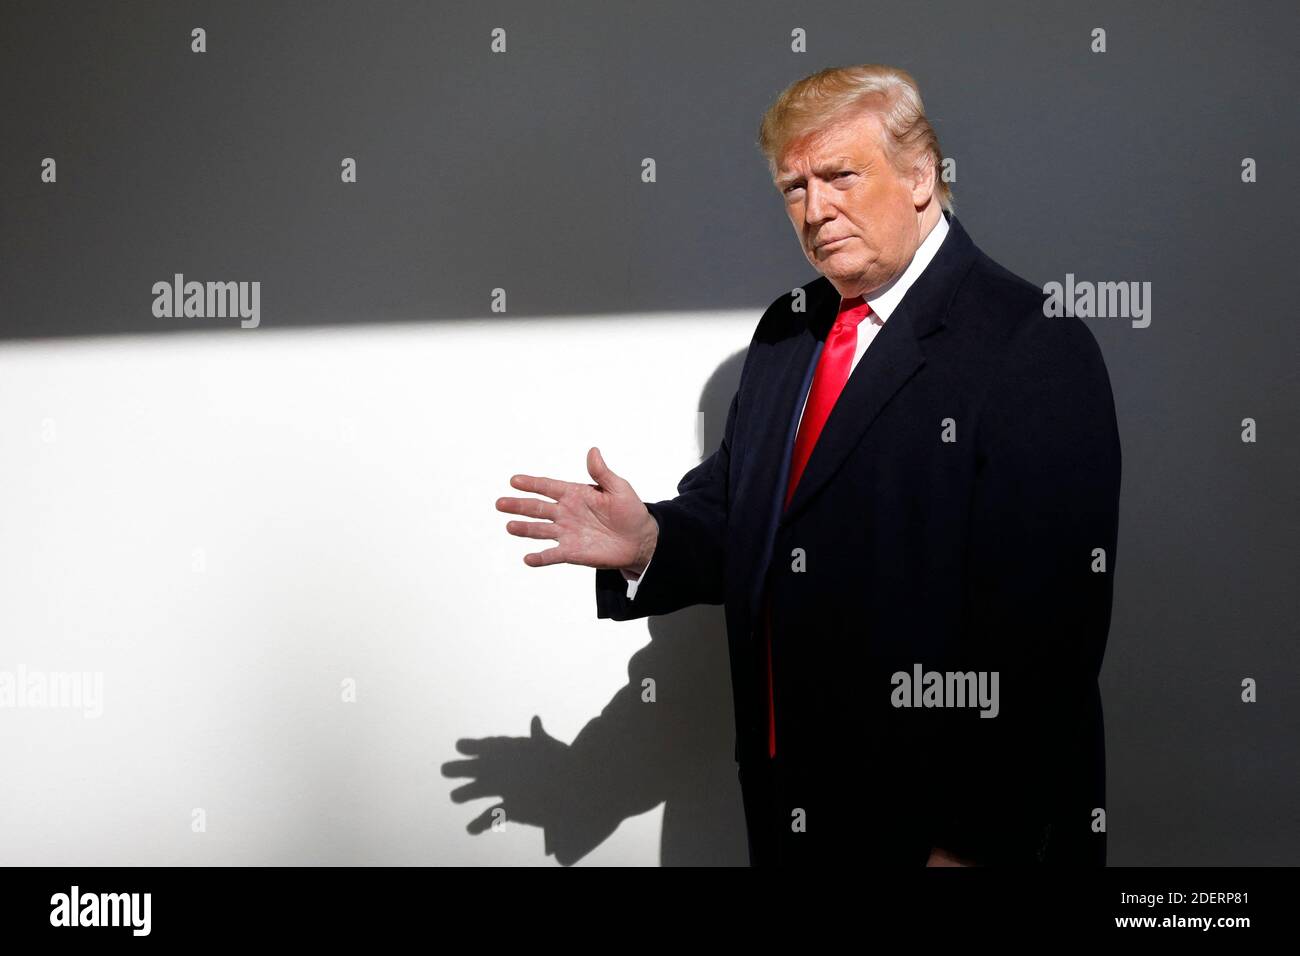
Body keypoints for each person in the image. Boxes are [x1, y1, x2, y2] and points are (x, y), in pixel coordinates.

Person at [497, 63, 1121, 866]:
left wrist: (970, 844)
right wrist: (651, 539)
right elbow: (745, 519)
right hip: (798, 813)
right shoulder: (788, 331)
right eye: (793, 188)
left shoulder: (1031, 341)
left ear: (922, 175)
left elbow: (1047, 635)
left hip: (946, 833)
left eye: (840, 176)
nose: (816, 210)